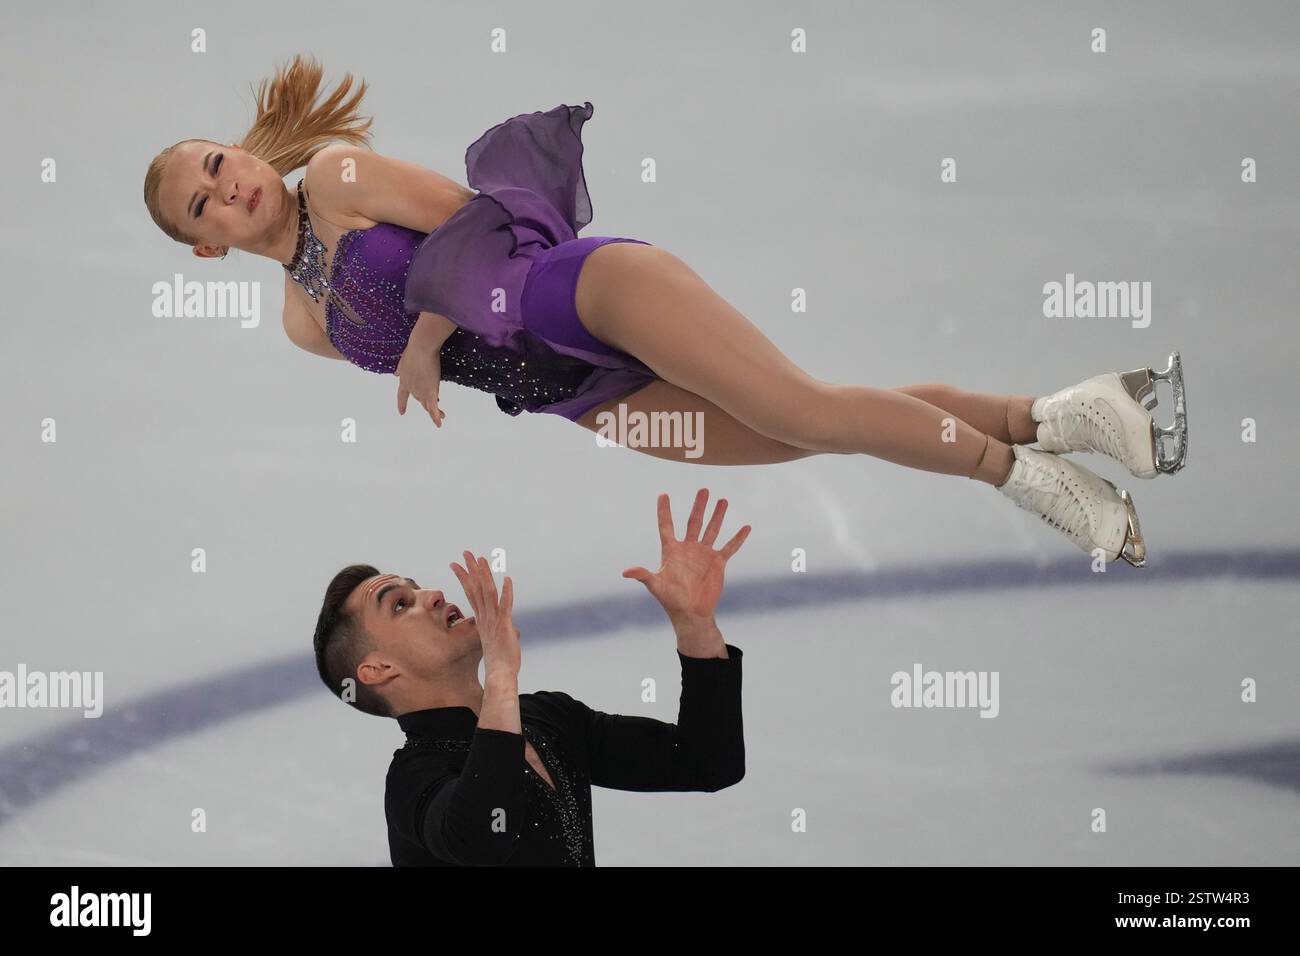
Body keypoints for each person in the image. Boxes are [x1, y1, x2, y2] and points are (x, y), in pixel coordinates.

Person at [144, 54, 1189, 566]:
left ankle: (1037, 483)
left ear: (237, 151)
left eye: (216, 160)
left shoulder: (337, 172)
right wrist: (446, 356)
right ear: (205, 243)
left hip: (591, 294)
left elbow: (480, 219)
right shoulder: (301, 321)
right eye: (203, 201)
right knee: (805, 428)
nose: (226, 184)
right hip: (578, 393)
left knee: (808, 411)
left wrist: (422, 337)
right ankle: (1066, 416)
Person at [311, 489, 748, 866]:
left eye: (417, 587)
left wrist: (694, 625)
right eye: (400, 604)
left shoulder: (550, 720)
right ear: (379, 670)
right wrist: (501, 674)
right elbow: (482, 835)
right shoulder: (414, 779)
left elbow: (708, 762)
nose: (433, 594)